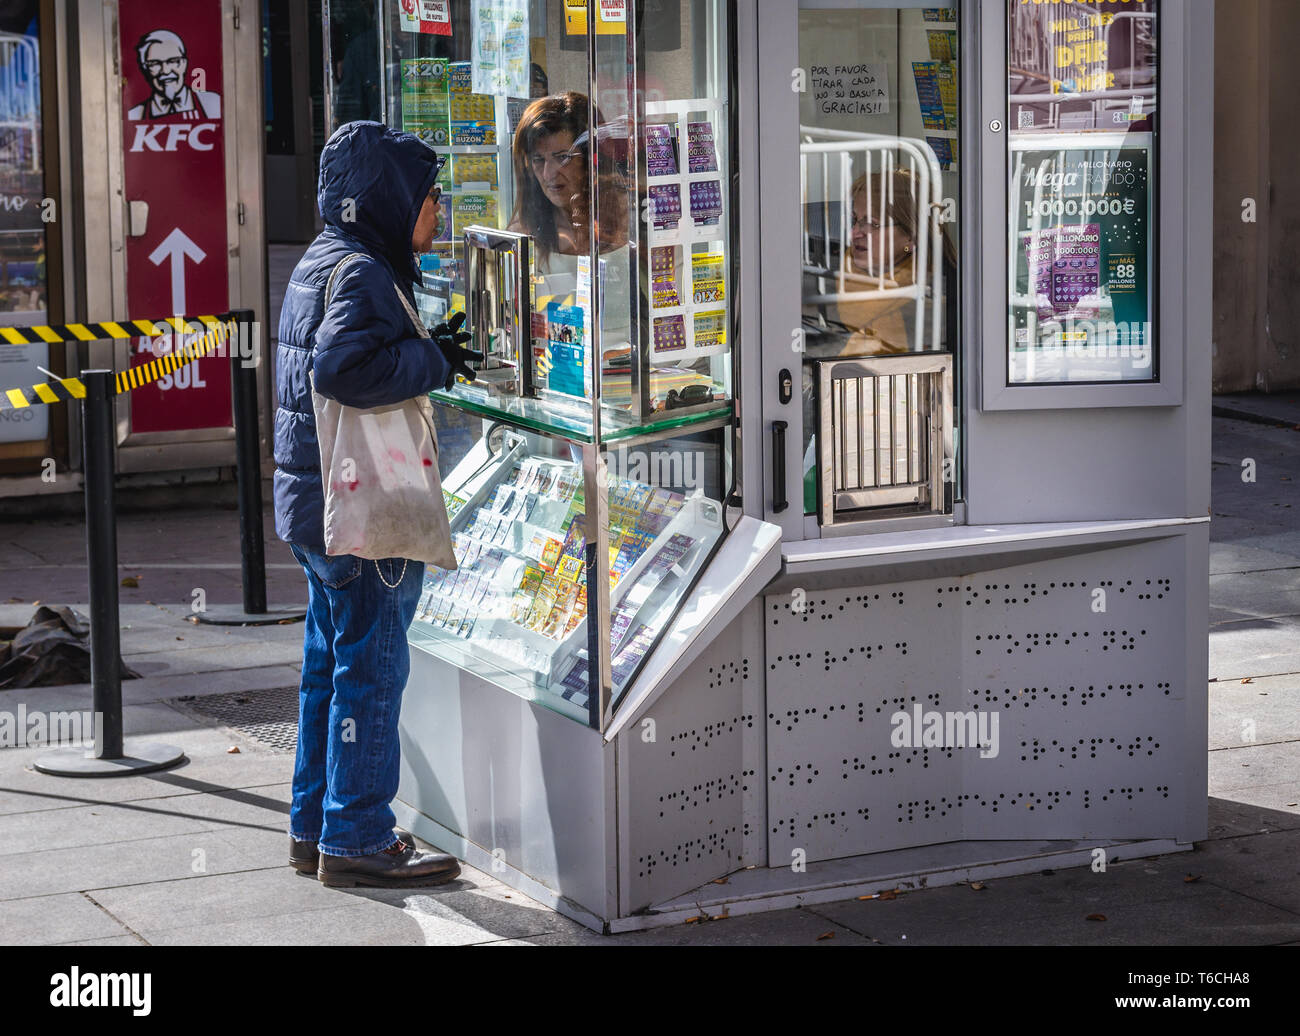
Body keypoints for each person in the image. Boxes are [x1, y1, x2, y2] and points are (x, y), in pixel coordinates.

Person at [274, 121, 479, 888]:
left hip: (316, 506)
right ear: (388, 201)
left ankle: (315, 824)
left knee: (329, 667)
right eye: (430, 199)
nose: (438, 215)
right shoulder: (363, 271)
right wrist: (436, 360)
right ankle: (360, 838)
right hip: (365, 514)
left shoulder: (322, 259)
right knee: (372, 670)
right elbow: (341, 370)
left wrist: (432, 349)